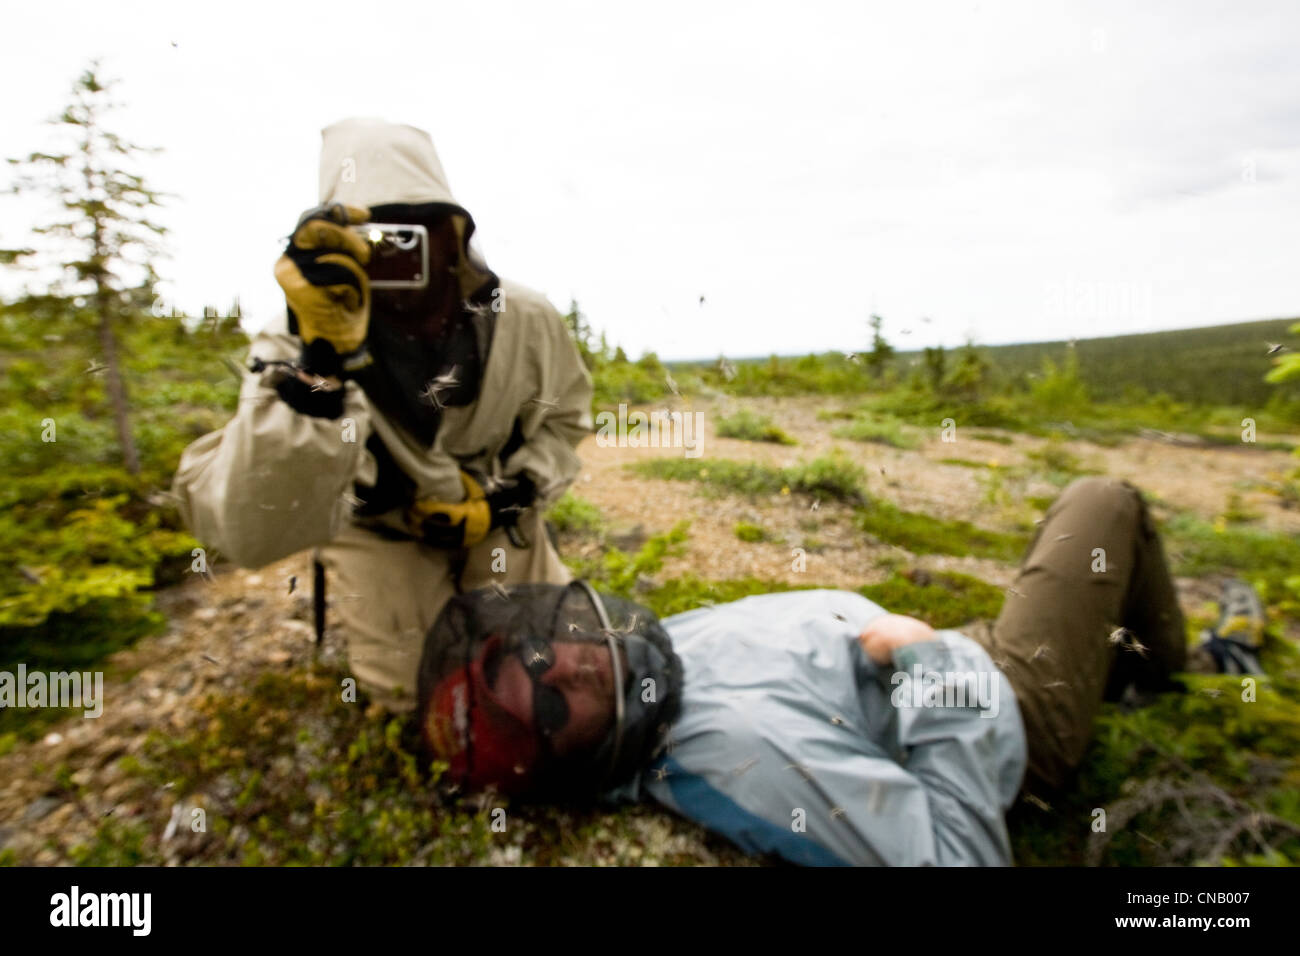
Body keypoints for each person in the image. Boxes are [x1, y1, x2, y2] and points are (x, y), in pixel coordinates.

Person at [414, 476, 1267, 866]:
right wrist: (928, 665)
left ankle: (1116, 664)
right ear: (568, 762)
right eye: (552, 712)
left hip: (923, 654)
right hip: (997, 703)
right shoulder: (741, 760)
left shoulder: (637, 665)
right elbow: (957, 854)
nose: (569, 670)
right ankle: (1180, 672)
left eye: (535, 655)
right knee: (1102, 505)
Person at [174, 118, 593, 712]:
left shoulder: (521, 318)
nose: (396, 254)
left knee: (545, 656)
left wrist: (504, 500)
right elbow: (254, 530)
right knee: (415, 694)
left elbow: (564, 421)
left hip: (490, 505)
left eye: (417, 232)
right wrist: (322, 366)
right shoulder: (295, 344)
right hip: (375, 523)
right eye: (375, 237)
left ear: (455, 234)